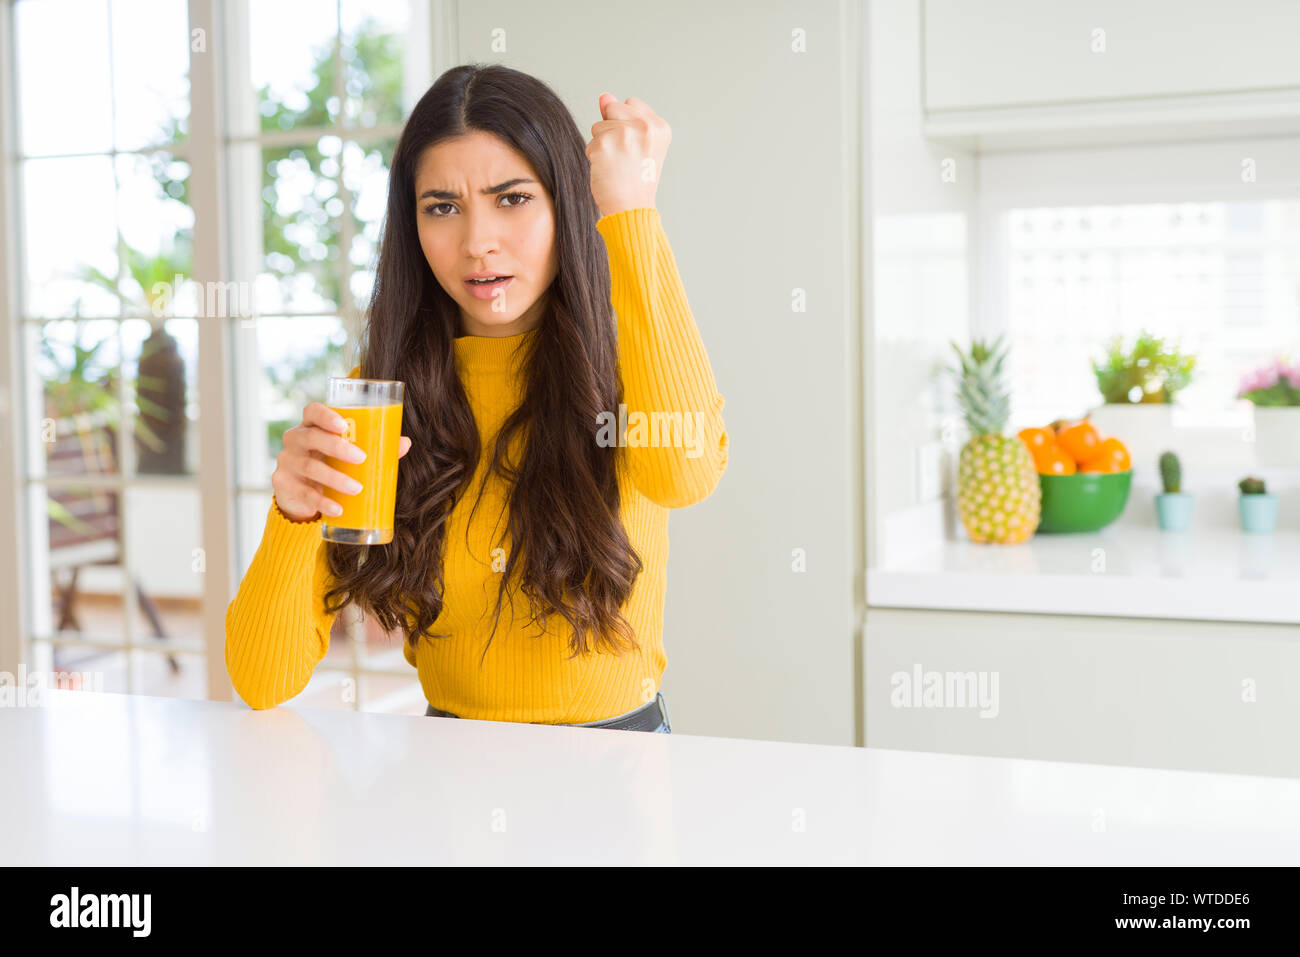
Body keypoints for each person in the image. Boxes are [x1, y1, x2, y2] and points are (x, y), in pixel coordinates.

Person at [225, 64, 728, 733]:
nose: (477, 242)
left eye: (513, 198)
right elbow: (262, 680)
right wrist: (292, 515)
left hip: (619, 768)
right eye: (443, 207)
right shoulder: (380, 393)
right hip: (445, 773)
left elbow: (686, 474)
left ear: (565, 203)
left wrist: (631, 213)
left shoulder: (632, 363)